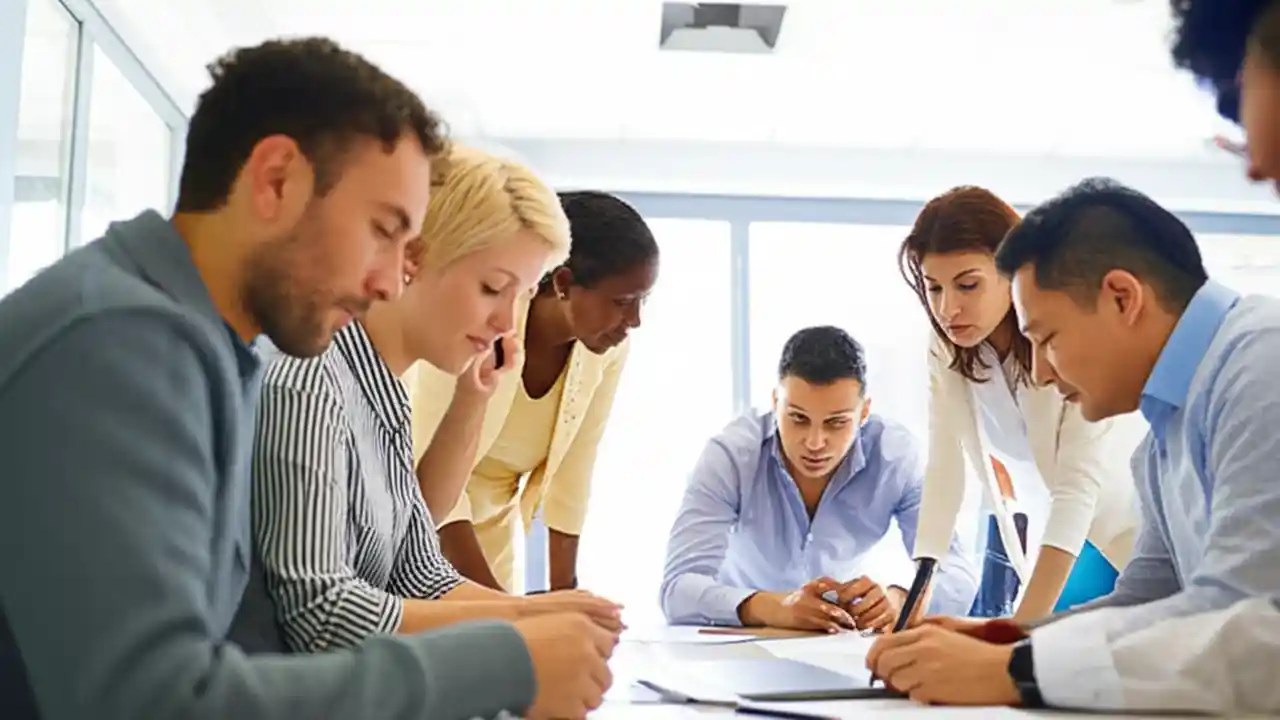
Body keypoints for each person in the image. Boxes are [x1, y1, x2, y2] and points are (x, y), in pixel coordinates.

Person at [0, 38, 612, 720]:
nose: (387, 280)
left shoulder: (194, 347)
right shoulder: (118, 342)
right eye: (382, 231)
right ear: (275, 181)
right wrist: (504, 660)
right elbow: (155, 701)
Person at [866, 177, 1280, 712]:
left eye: (1046, 338)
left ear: (1122, 298)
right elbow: (1151, 600)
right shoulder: (1158, 447)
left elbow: (1247, 626)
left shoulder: (1262, 369)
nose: (1039, 370)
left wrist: (1016, 670)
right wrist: (1007, 639)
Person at [237, 145, 624, 654]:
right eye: (492, 288)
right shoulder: (307, 379)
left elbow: (420, 570)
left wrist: (550, 611)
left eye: (522, 296)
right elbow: (322, 614)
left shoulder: (384, 394)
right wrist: (525, 628)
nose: (507, 323)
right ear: (414, 259)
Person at [899, 186, 1140, 622]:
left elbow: (1077, 490)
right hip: (1051, 528)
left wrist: (1015, 632)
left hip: (1113, 527)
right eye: (933, 288)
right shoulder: (947, 348)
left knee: (1050, 653)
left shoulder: (1068, 333)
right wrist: (918, 592)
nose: (948, 308)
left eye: (967, 285)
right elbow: (945, 466)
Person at [408, 190, 660, 592]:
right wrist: (505, 611)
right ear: (563, 283)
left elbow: (573, 473)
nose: (635, 320)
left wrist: (567, 599)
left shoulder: (606, 349)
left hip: (490, 532)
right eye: (622, 301)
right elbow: (426, 469)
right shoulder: (480, 322)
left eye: (643, 299)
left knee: (514, 643)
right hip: (422, 524)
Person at [660, 326, 979, 631]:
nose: (814, 442)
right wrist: (774, 608)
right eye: (797, 418)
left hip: (842, 642)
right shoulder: (730, 456)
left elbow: (959, 577)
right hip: (743, 642)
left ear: (864, 413)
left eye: (836, 423)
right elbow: (677, 589)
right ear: (775, 403)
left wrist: (903, 600)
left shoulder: (896, 458)